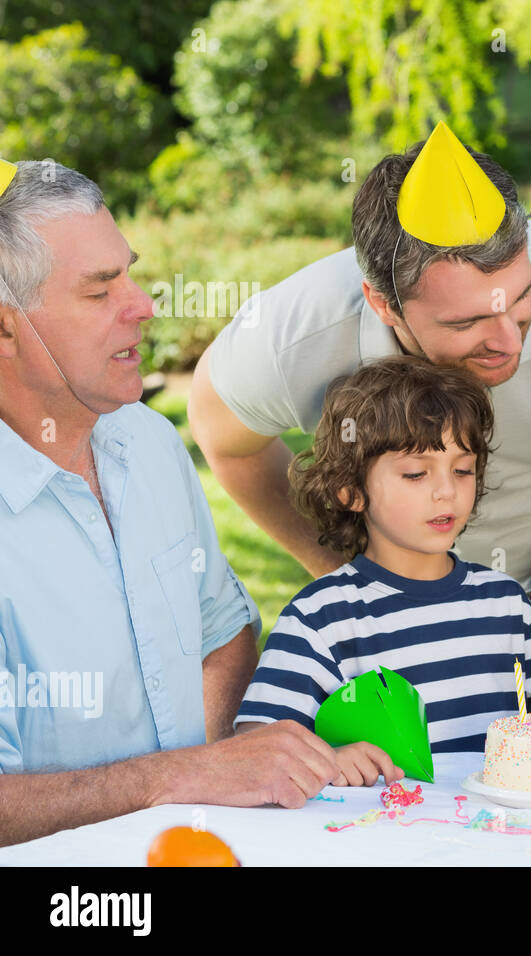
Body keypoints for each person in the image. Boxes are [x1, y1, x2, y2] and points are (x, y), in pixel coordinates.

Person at [188, 124, 531, 696]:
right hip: (408, 619)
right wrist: (342, 569)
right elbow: (222, 434)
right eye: (465, 322)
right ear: (383, 303)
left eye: (522, 298)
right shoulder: (293, 336)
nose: (507, 342)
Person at [0, 159, 351, 847]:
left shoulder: (149, 441)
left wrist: (215, 787)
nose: (145, 305)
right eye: (100, 292)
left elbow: (222, 633)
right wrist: (182, 777)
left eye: (129, 273)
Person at [235, 358, 531, 775]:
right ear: (350, 491)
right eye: (416, 473)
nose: (446, 492)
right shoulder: (319, 621)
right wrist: (330, 762)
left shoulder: (507, 606)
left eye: (462, 469)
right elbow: (255, 753)